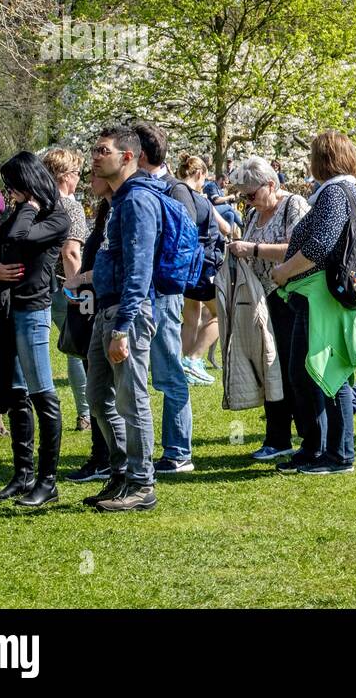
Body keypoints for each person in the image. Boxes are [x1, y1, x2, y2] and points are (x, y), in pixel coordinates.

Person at [269, 131, 356, 474]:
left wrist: (285, 271)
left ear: (323, 160)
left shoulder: (334, 192)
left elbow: (321, 245)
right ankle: (315, 447)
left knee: (328, 374)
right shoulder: (342, 191)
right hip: (319, 296)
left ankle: (339, 454)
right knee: (306, 374)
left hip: (324, 297)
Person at [79, 125, 164, 512]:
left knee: (132, 399)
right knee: (98, 398)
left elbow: (140, 269)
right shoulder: (118, 201)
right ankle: (120, 474)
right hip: (105, 309)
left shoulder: (138, 202)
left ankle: (142, 484)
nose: (95, 156)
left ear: (127, 156)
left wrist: (124, 326)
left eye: (102, 150)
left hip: (127, 313)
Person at [0, 152, 70, 507]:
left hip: (33, 311)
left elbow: (19, 238)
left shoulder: (57, 217)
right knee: (18, 393)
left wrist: (30, 206)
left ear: (29, 182)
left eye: (14, 185)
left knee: (42, 393)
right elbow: (1, 248)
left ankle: (47, 481)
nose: (10, 192)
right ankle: (22, 475)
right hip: (10, 308)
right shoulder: (25, 209)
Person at [226, 155, 311, 461]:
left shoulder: (293, 206)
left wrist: (253, 249)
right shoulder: (252, 215)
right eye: (244, 196)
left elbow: (300, 249)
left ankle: (305, 436)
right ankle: (276, 437)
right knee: (269, 367)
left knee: (291, 369)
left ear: (271, 184)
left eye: (252, 194)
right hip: (261, 300)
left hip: (290, 297)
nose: (248, 201)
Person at [132, 121, 198, 474]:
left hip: (162, 293)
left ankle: (178, 451)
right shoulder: (138, 189)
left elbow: (182, 247)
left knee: (170, 372)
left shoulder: (175, 191)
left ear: (140, 154)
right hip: (144, 293)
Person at [62, 173, 117, 485]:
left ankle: (108, 458)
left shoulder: (120, 213)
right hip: (92, 304)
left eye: (98, 174)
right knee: (95, 383)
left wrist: (80, 280)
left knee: (103, 386)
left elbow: (114, 264)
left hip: (106, 305)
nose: (90, 178)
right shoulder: (104, 214)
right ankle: (102, 455)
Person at [42, 148, 92, 431]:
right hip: (65, 287)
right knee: (78, 348)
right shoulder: (70, 206)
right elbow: (71, 253)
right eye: (75, 173)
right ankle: (85, 412)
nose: (78, 179)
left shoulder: (37, 204)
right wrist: (80, 291)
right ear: (63, 176)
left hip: (35, 288)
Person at [174, 153, 231, 386]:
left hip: (186, 266)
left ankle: (184, 366)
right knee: (222, 313)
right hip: (204, 266)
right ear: (199, 174)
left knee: (191, 316)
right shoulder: (201, 200)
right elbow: (226, 227)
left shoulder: (176, 196)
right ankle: (194, 359)